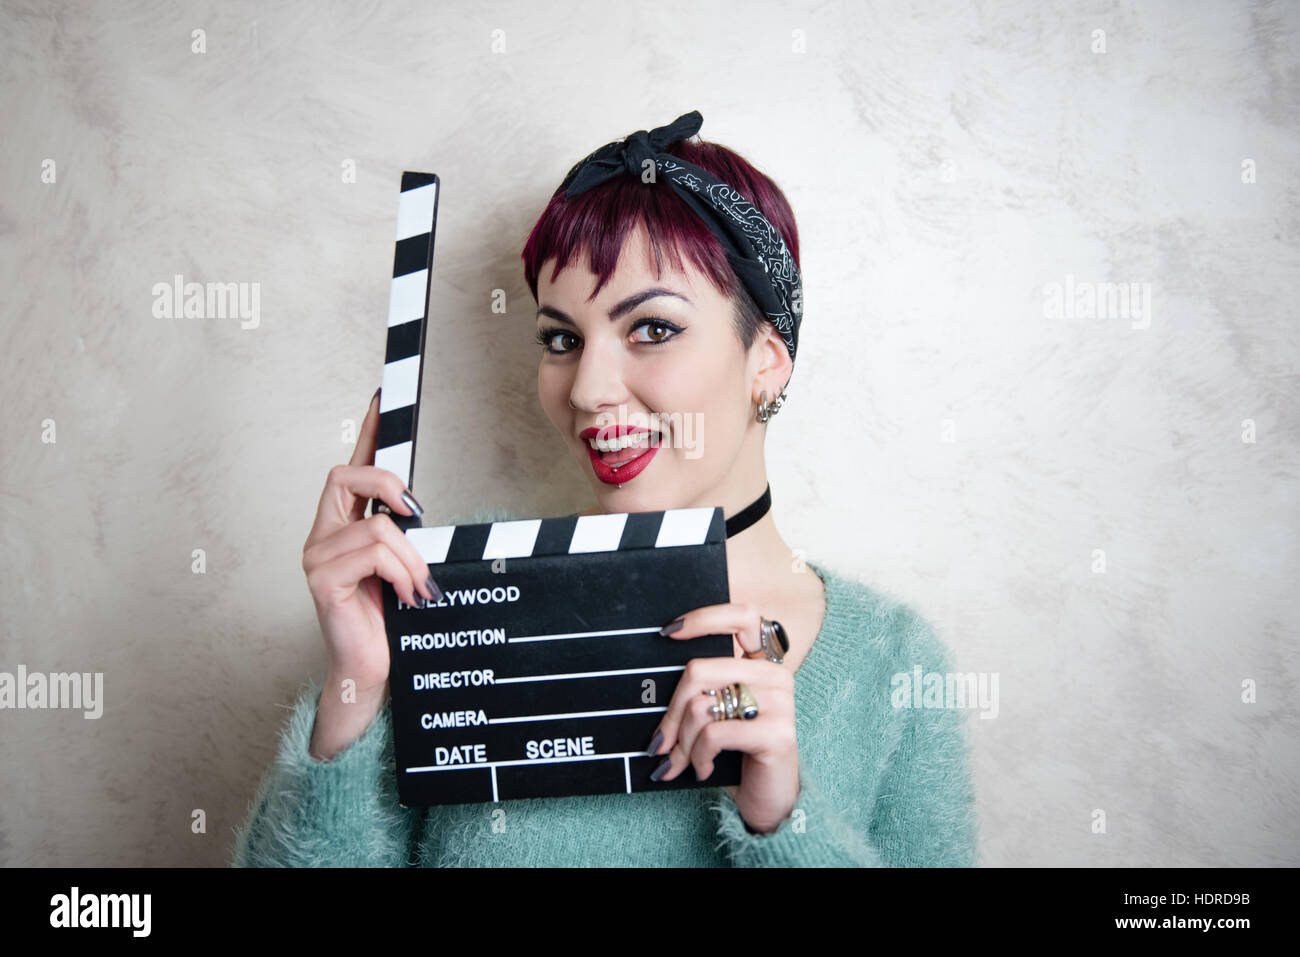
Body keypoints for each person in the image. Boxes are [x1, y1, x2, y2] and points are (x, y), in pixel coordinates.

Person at [231, 111, 979, 866]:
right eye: (562, 339)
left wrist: (780, 823)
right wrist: (355, 690)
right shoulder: (446, 595)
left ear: (768, 359)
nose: (587, 390)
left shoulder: (894, 665)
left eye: (653, 328)